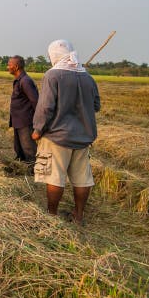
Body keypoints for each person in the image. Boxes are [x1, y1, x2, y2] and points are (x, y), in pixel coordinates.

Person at [32, 39, 101, 225]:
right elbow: (96, 105)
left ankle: (52, 215)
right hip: (83, 137)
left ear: (53, 55)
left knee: (55, 177)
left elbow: (45, 107)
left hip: (58, 137)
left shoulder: (52, 76)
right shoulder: (88, 77)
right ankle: (78, 216)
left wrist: (38, 129)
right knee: (82, 178)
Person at [7, 55, 39, 169]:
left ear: (16, 67)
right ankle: (22, 168)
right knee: (19, 147)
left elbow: (36, 101)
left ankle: (34, 172)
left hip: (25, 121)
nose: (8, 67)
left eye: (9, 65)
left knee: (28, 148)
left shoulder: (25, 81)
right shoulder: (19, 80)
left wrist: (38, 123)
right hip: (18, 121)